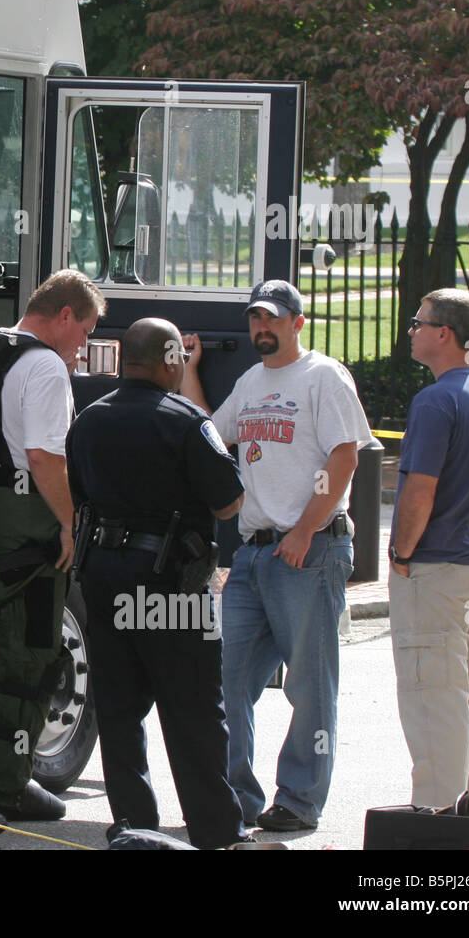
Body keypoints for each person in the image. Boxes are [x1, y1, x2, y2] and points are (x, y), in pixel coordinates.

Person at [182, 279, 372, 833]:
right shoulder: (252, 381)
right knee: (224, 677)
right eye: (255, 320)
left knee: (309, 684)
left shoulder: (323, 376)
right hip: (253, 556)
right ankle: (234, 799)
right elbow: (210, 436)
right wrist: (191, 369)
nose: (262, 328)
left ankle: (299, 800)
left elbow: (344, 458)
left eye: (272, 318)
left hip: (309, 550)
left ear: (297, 323)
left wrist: (305, 530)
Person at [66, 318, 248, 848]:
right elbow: (229, 501)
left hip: (103, 581)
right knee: (193, 712)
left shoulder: (89, 419)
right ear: (172, 359)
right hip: (171, 590)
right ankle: (217, 832)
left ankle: (134, 828)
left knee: (120, 711)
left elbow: (79, 493)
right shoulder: (188, 421)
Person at [0, 269, 105, 820]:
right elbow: (45, 457)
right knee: (31, 655)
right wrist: (67, 523)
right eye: (83, 331)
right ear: (63, 315)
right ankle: (5, 784)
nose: (82, 348)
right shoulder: (43, 366)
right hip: (28, 524)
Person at [388, 288, 469, 808]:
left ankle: (439, 823)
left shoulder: (437, 399)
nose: (411, 330)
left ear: (445, 334)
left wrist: (399, 554)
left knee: (433, 697)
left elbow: (420, 489)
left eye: (418, 323)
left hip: (437, 569)